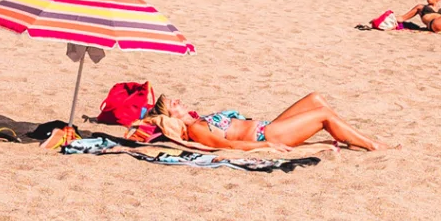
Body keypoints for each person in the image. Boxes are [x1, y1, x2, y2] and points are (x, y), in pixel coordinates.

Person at [148, 91, 392, 151]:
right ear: (171, 116)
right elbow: (230, 146)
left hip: (268, 126)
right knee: (323, 116)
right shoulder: (197, 130)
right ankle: (372, 145)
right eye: (174, 104)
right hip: (269, 135)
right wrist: (267, 146)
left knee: (315, 98)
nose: (179, 101)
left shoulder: (199, 120)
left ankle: (351, 137)